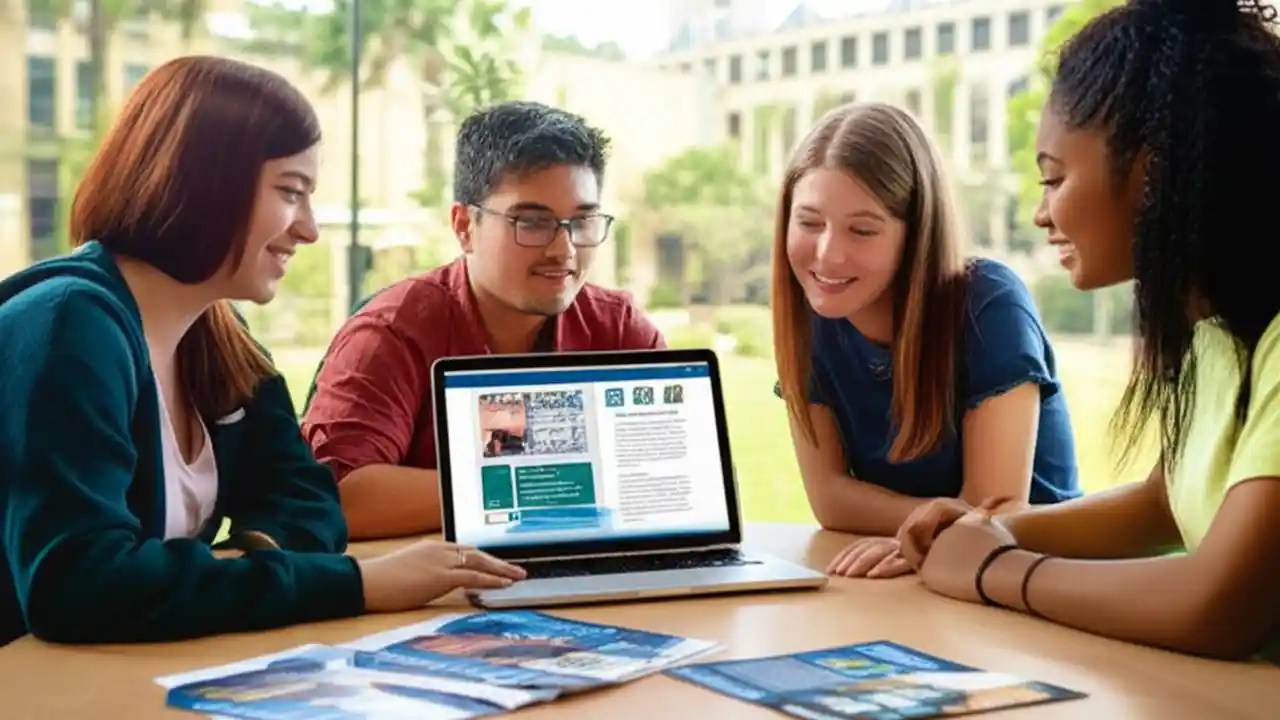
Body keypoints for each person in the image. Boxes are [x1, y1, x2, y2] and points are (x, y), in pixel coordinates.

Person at [0, 56, 523, 647]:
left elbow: (308, 499)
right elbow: (77, 585)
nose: (309, 230)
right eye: (290, 192)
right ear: (201, 182)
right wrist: (355, 584)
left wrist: (243, 571)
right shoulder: (69, 328)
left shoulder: (216, 332)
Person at [897, 0, 1280, 662]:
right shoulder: (1210, 335)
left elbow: (1220, 604)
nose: (1042, 214)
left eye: (1055, 177)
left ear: (1153, 171)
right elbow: (1167, 504)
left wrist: (995, 571)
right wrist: (996, 528)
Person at [302, 101, 665, 540]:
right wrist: (538, 487)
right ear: (463, 226)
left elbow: (684, 482)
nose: (564, 250)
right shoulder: (392, 332)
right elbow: (338, 498)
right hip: (435, 596)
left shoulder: (619, 329)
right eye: (531, 222)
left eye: (582, 222)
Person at [772, 102, 1080, 580]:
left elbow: (995, 504)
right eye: (809, 223)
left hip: (1037, 572)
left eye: (862, 230)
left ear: (917, 235)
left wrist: (929, 529)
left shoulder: (989, 303)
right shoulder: (813, 314)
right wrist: (930, 527)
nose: (828, 255)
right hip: (930, 575)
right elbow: (830, 500)